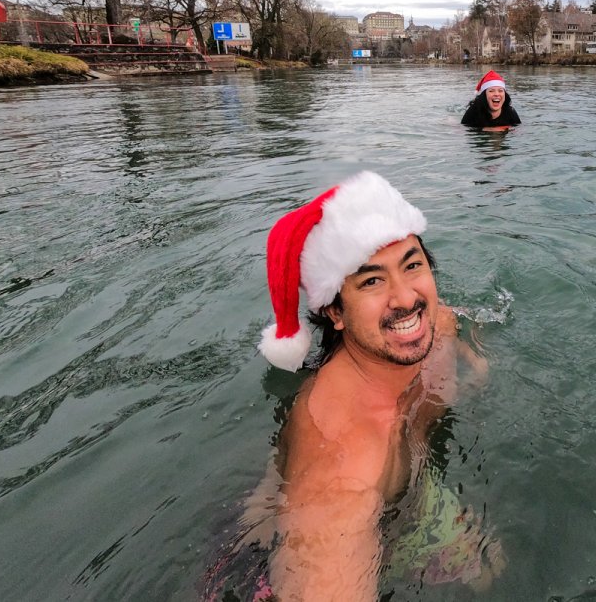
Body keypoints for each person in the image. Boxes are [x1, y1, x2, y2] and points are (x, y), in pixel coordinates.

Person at [203, 171, 500, 602]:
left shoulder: (430, 324)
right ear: (335, 313)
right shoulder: (345, 473)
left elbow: (442, 317)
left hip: (409, 493)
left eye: (412, 265)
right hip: (318, 546)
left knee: (488, 564)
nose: (405, 298)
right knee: (490, 575)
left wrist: (477, 360)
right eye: (372, 281)